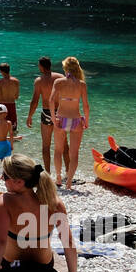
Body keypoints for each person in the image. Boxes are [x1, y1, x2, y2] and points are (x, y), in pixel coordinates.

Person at [0, 155, 81, 272]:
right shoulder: (54, 203)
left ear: (19, 182)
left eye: (5, 176)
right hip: (43, 270)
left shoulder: (5, 201)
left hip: (13, 268)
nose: (2, 178)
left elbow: (0, 241)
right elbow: (68, 241)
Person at [49, 56, 90, 188]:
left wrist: (53, 117)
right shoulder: (81, 84)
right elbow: (86, 106)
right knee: (74, 153)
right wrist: (87, 120)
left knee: (58, 150)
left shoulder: (59, 82)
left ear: (65, 68)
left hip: (61, 118)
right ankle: (69, 182)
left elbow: (50, 101)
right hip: (76, 120)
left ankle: (58, 177)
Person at [27, 57, 62, 181]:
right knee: (64, 145)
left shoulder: (39, 80)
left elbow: (35, 101)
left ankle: (47, 173)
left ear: (41, 66)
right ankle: (66, 172)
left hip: (47, 112)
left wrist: (29, 116)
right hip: (60, 112)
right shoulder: (60, 77)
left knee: (46, 146)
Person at [0, 104, 19, 177]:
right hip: (6, 144)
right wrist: (12, 145)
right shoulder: (9, 123)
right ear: (6, 113)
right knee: (4, 162)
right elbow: (11, 135)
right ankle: (3, 176)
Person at [0, 63, 20, 130]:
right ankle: (14, 139)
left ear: (1, 71)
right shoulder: (16, 81)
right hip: (12, 105)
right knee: (13, 128)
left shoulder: (0, 82)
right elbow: (16, 97)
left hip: (2, 107)